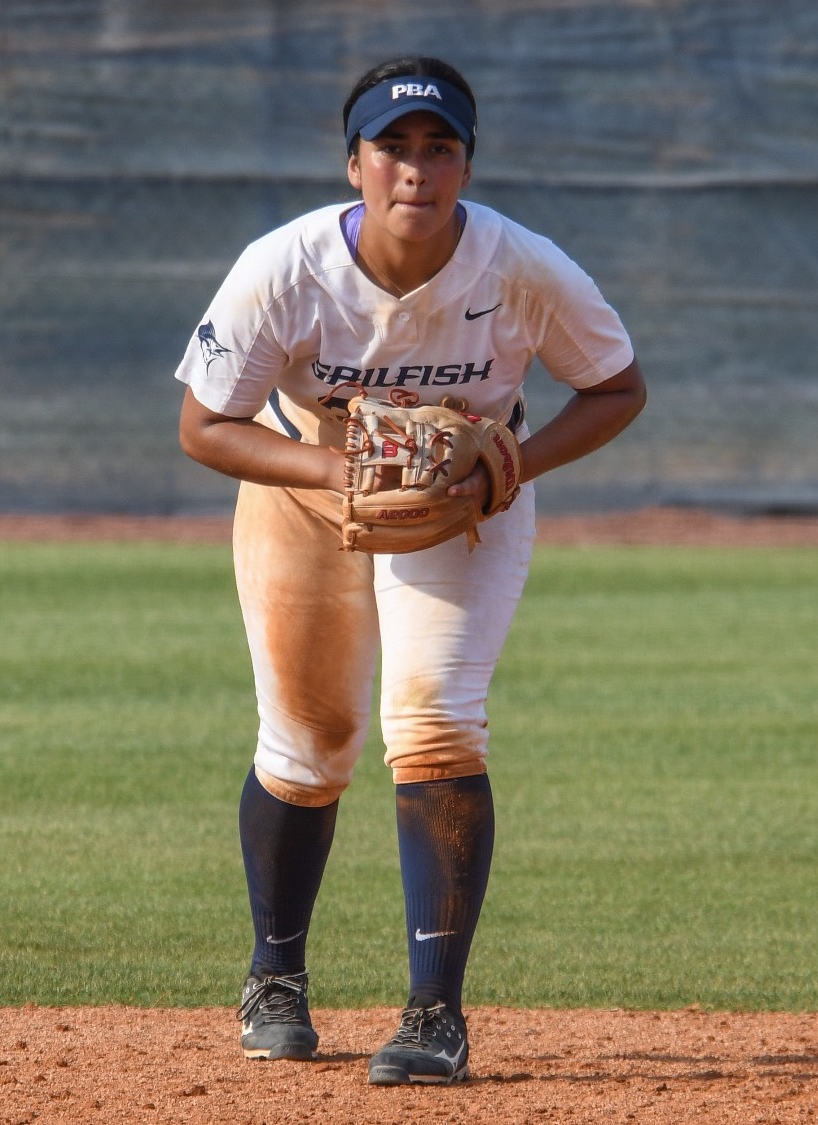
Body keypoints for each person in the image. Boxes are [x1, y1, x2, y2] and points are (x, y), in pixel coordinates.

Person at [173, 55, 646, 1086]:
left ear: (466, 166)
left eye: (440, 148)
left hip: (462, 506)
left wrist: (516, 470)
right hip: (302, 492)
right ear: (354, 164)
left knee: (434, 722)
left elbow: (615, 387)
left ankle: (433, 1015)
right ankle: (275, 976)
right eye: (393, 147)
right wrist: (324, 465)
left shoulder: (519, 268)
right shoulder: (285, 268)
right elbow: (203, 426)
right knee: (306, 747)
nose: (415, 170)